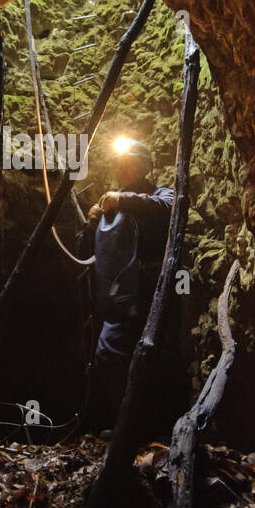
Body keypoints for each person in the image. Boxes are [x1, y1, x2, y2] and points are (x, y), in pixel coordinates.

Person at [83, 138, 174, 439]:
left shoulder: (161, 194)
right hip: (117, 296)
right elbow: (89, 252)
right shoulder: (108, 202)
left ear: (146, 167)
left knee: (150, 360)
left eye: (131, 164)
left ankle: (149, 432)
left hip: (151, 294)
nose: (124, 169)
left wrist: (123, 201)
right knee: (108, 356)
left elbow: (170, 208)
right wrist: (91, 222)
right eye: (121, 165)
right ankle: (122, 427)